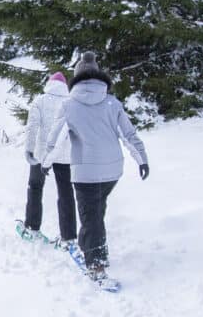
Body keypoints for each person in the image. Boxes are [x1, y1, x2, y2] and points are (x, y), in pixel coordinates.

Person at [42, 52, 148, 281]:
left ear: (77, 79)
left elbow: (56, 138)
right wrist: (142, 159)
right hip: (112, 170)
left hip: (85, 171)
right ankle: (92, 247)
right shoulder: (112, 103)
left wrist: (46, 161)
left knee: (90, 217)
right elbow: (128, 135)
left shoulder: (68, 105)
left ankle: (96, 265)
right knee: (96, 211)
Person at [22, 72, 77, 245]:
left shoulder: (40, 100)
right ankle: (68, 237)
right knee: (66, 193)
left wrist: (29, 150)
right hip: (64, 154)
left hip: (42, 153)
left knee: (35, 187)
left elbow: (32, 127)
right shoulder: (70, 103)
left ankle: (32, 228)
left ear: (49, 83)